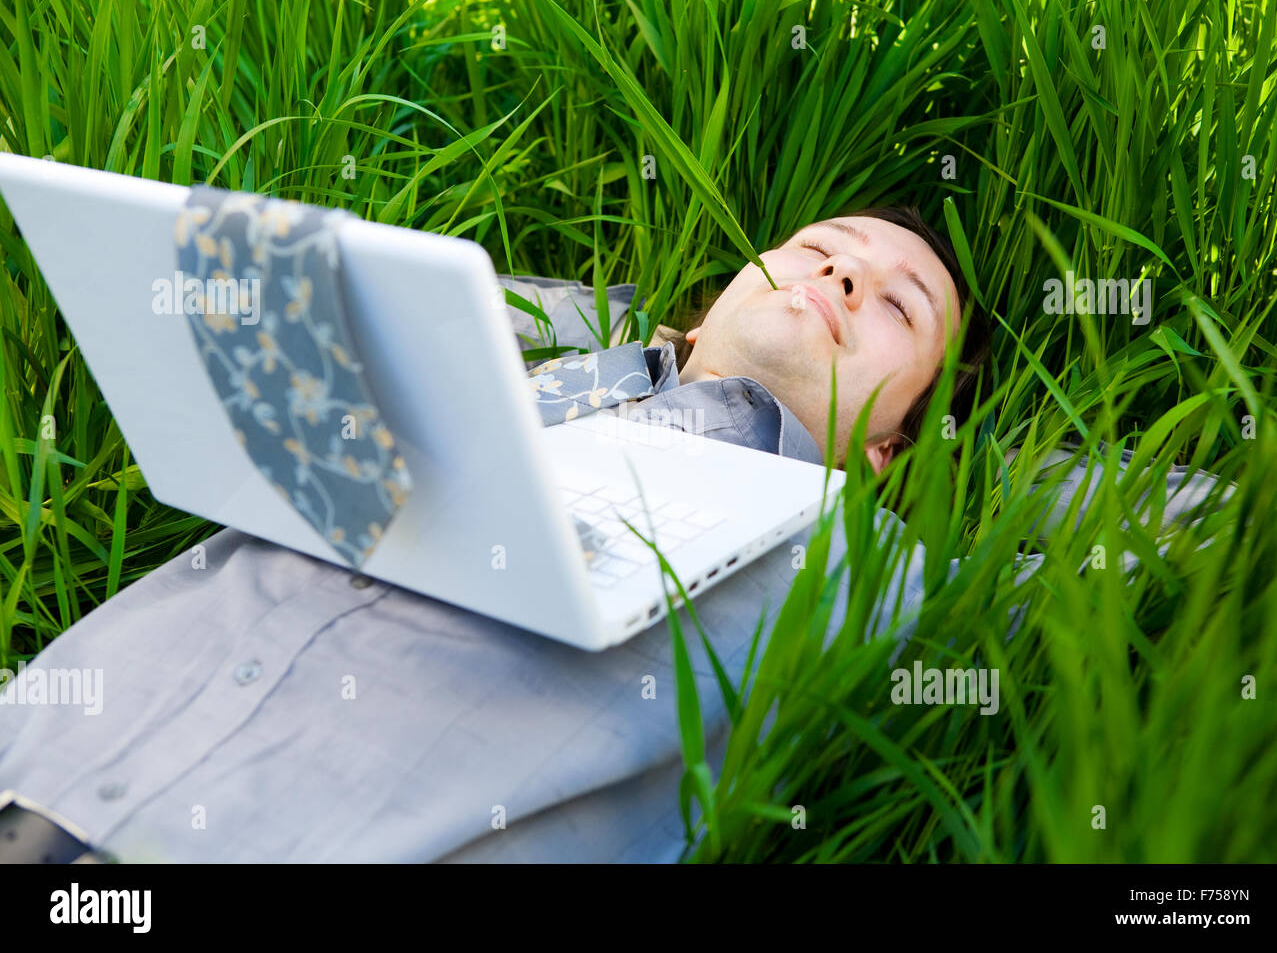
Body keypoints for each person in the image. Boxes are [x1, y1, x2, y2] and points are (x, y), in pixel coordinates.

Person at [0, 205, 1210, 863]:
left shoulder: (864, 570)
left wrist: (954, 461)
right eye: (816, 254)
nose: (840, 280)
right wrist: (664, 338)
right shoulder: (497, 359)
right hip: (39, 752)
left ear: (895, 440)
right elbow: (428, 270)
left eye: (894, 304)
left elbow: (1204, 520)